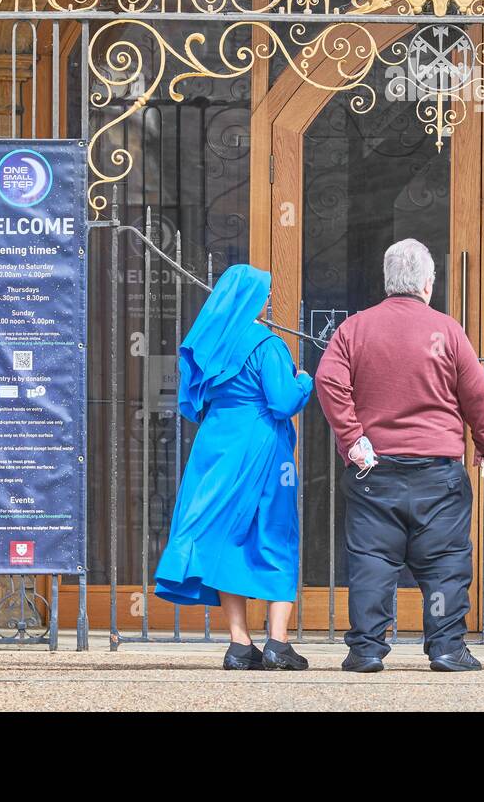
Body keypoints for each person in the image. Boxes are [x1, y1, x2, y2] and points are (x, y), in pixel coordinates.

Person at [314, 238, 484, 673]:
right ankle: (446, 648)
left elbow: (328, 381)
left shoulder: (354, 329)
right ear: (428, 283)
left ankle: (366, 649)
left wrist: (353, 436)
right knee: (443, 562)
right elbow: (479, 397)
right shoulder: (447, 330)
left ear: (387, 280)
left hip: (374, 469)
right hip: (438, 472)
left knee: (372, 562)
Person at [154, 263, 314, 671]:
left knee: (228, 538)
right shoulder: (267, 344)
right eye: (264, 293)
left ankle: (239, 642)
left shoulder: (214, 343)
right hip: (261, 446)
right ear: (251, 300)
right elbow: (282, 402)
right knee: (277, 533)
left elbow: (198, 398)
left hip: (216, 445)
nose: (268, 300)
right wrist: (304, 381)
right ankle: (278, 642)